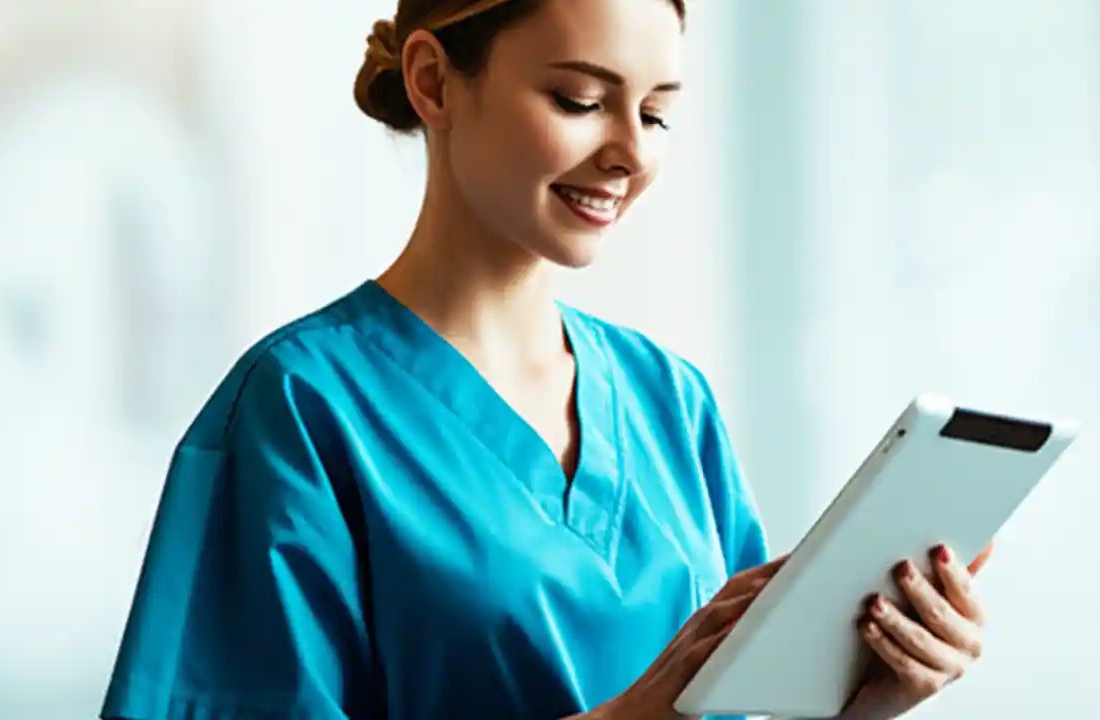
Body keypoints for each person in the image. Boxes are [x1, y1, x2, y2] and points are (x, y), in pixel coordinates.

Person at [100, 0, 993, 718]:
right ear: (433, 82)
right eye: (579, 101)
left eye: (656, 113)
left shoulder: (669, 401)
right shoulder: (301, 408)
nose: (631, 152)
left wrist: (863, 704)